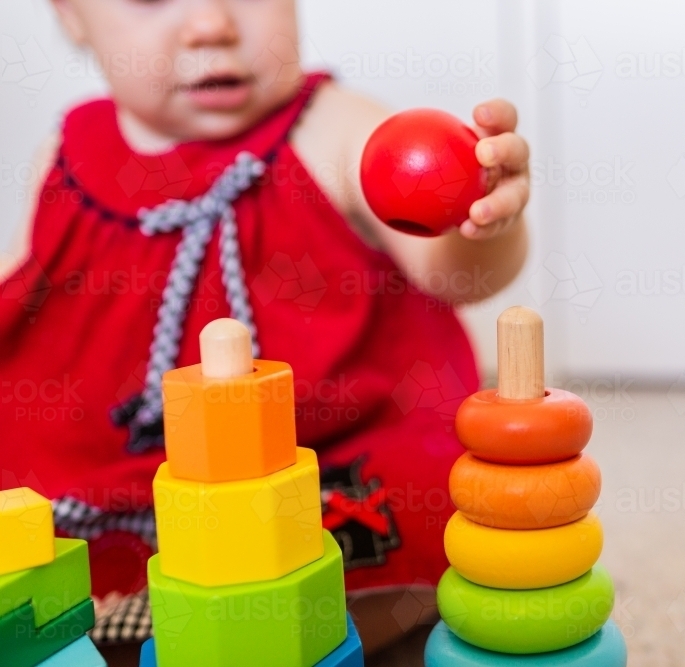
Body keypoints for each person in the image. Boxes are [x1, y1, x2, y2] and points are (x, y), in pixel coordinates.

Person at [0, 0, 530, 661]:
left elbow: (454, 275)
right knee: (37, 527)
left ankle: (293, 628)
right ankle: (130, 616)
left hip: (324, 455)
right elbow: (21, 300)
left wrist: (479, 217)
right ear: (72, 16)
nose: (211, 24)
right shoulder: (67, 152)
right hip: (127, 463)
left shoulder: (335, 127)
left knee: (433, 504)